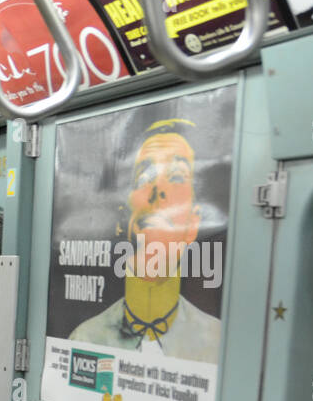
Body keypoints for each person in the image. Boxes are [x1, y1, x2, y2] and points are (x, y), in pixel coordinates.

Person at [69, 118, 221, 363]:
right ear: (122, 216)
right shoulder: (86, 338)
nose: (157, 189)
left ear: (194, 223)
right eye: (145, 176)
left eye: (177, 176)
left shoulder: (217, 344)